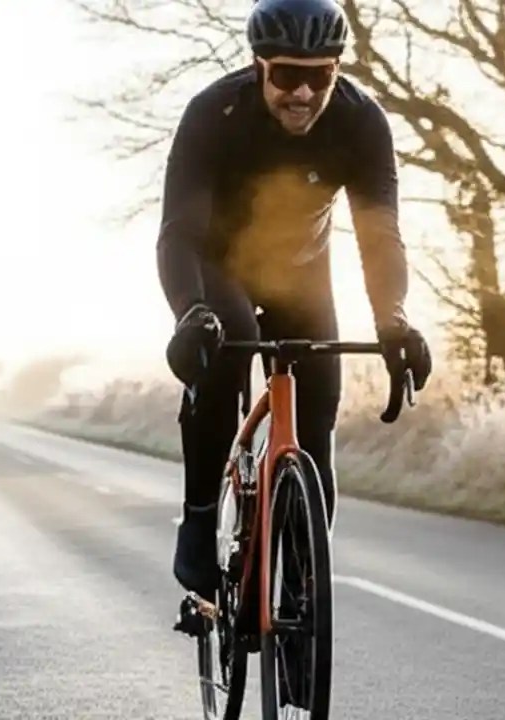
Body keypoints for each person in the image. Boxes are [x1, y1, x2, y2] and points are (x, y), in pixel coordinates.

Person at [159, 0, 432, 608]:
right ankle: (200, 517)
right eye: (286, 75)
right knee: (225, 343)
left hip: (302, 274)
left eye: (320, 76)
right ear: (260, 66)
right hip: (218, 265)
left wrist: (393, 319)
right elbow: (178, 233)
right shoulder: (213, 114)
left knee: (316, 425)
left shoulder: (361, 123)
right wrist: (189, 312)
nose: (303, 93)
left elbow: (380, 235)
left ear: (337, 70)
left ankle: (300, 596)